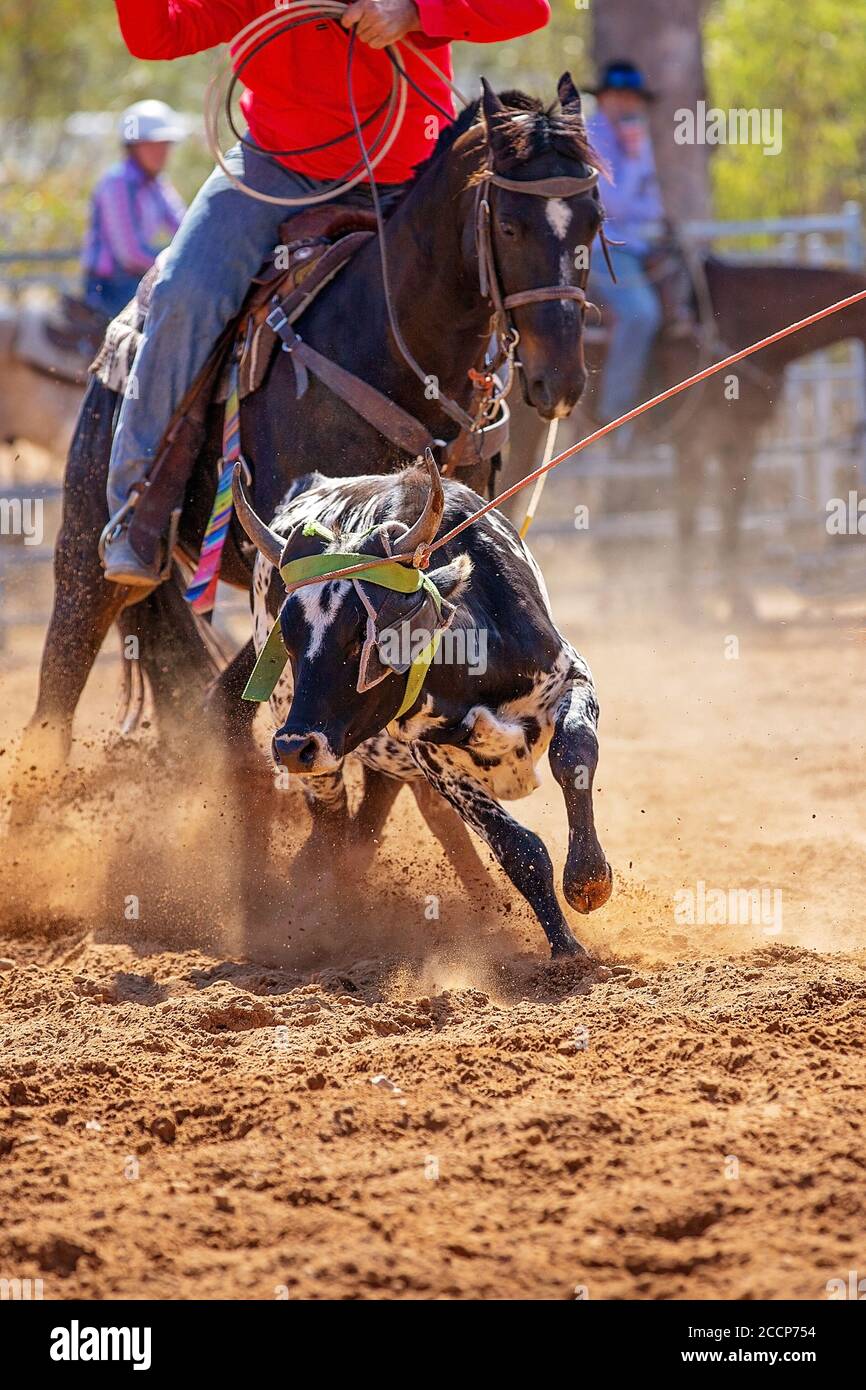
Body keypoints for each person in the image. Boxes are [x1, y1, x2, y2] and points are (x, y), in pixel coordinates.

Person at [102, 0, 552, 587]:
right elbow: (162, 33)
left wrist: (416, 11)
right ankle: (139, 508)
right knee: (186, 290)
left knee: (521, 287)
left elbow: (529, 10)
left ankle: (499, 523)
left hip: (410, 169)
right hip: (274, 166)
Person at [586, 61, 665, 426]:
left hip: (637, 245)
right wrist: (633, 159)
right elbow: (610, 202)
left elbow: (653, 205)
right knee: (641, 314)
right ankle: (615, 414)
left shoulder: (635, 137)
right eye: (619, 96)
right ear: (604, 98)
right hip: (603, 248)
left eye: (632, 97)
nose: (627, 104)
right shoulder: (592, 135)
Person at [82, 99, 187, 321]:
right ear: (133, 147)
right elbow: (130, 254)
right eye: (152, 144)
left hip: (135, 281)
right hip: (110, 287)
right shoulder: (117, 183)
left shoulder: (157, 184)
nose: (161, 152)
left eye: (165, 144)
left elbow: (185, 226)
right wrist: (179, 264)